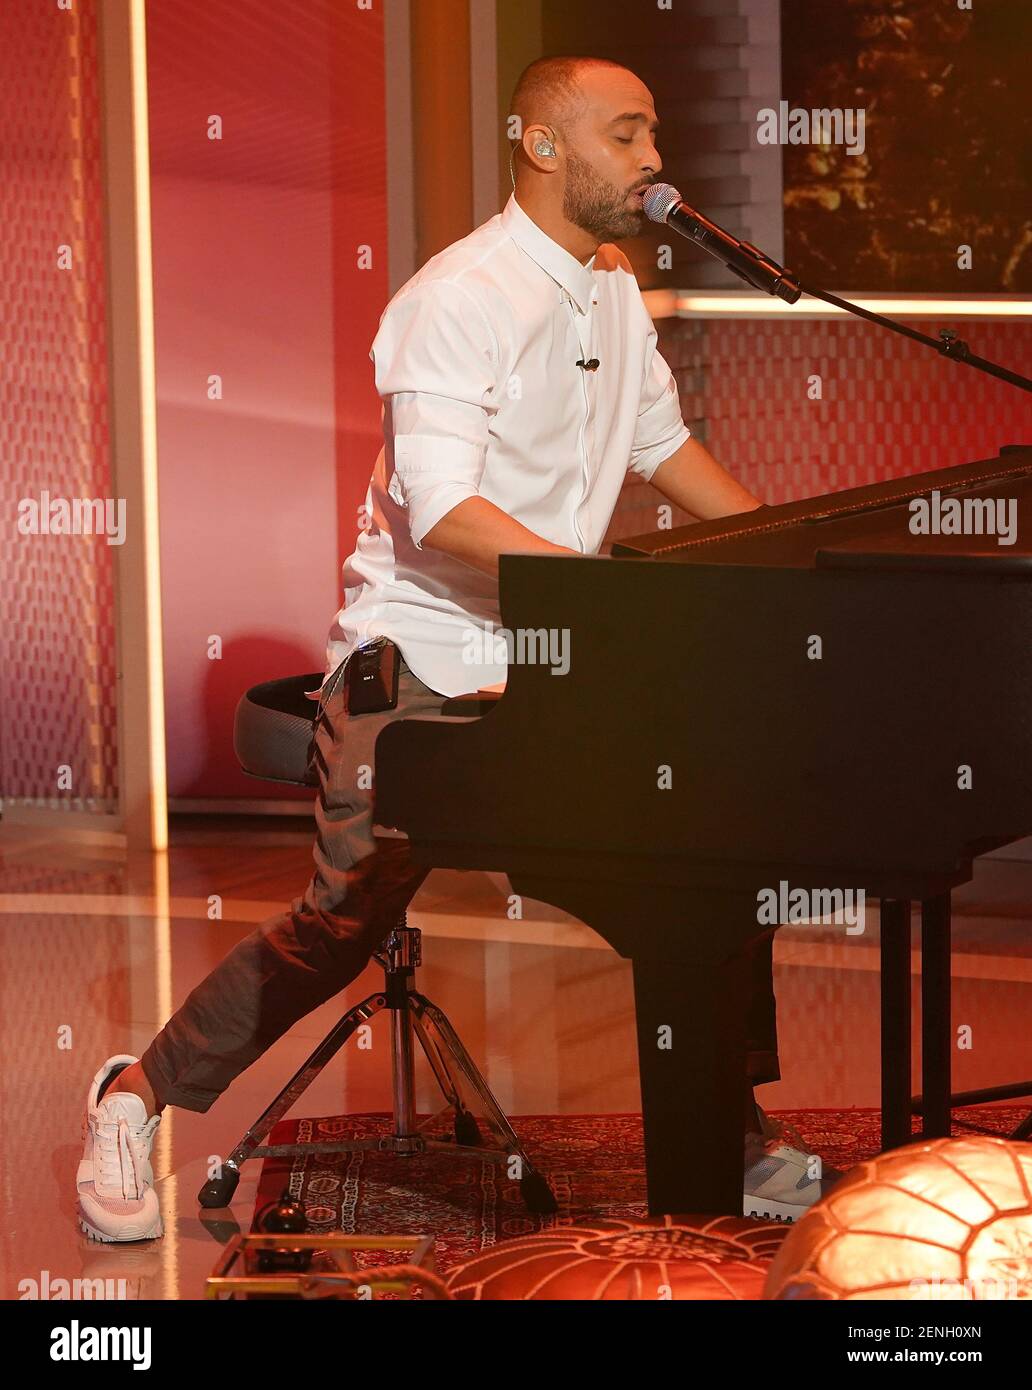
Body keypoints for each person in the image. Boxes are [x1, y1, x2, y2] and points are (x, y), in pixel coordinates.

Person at [77, 56, 820, 1243]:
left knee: (713, 848)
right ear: (542, 147)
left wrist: (799, 552)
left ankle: (730, 1131)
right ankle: (134, 1096)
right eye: (627, 137)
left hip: (556, 655)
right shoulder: (453, 297)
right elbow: (446, 512)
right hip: (415, 662)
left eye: (654, 137)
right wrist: (604, 603)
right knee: (341, 918)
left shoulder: (615, 288)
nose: (652, 162)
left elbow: (666, 452)